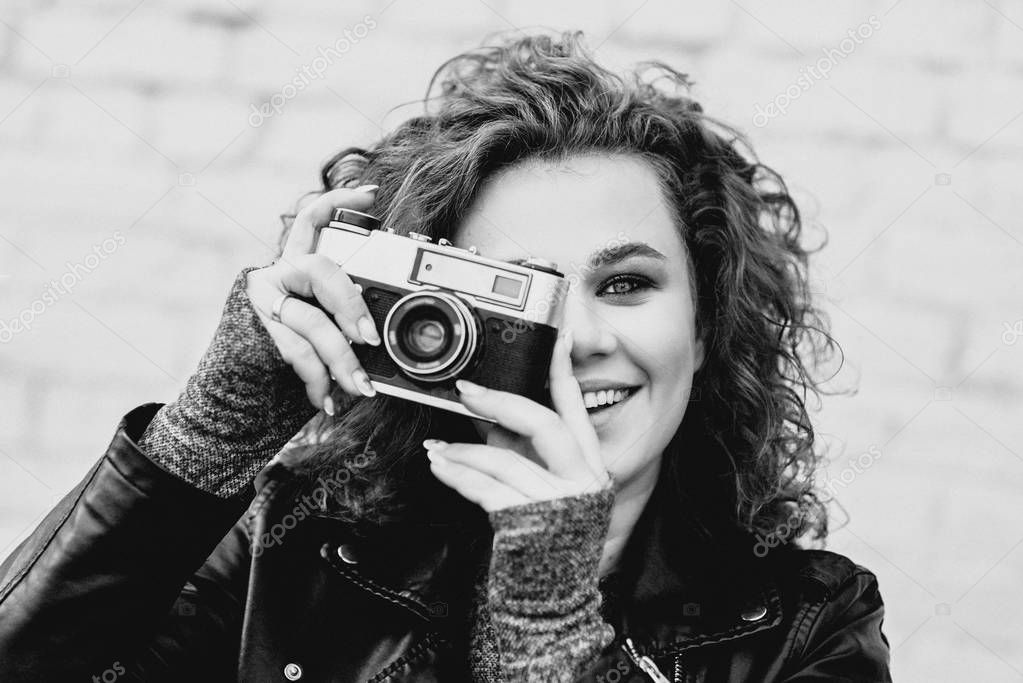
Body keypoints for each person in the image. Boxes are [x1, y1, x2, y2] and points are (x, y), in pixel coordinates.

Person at [0, 31, 892, 682]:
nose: (579, 339)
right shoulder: (291, 549)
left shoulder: (806, 629)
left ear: (703, 328)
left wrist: (548, 622)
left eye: (625, 283)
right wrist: (211, 433)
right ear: (431, 324)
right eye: (521, 297)